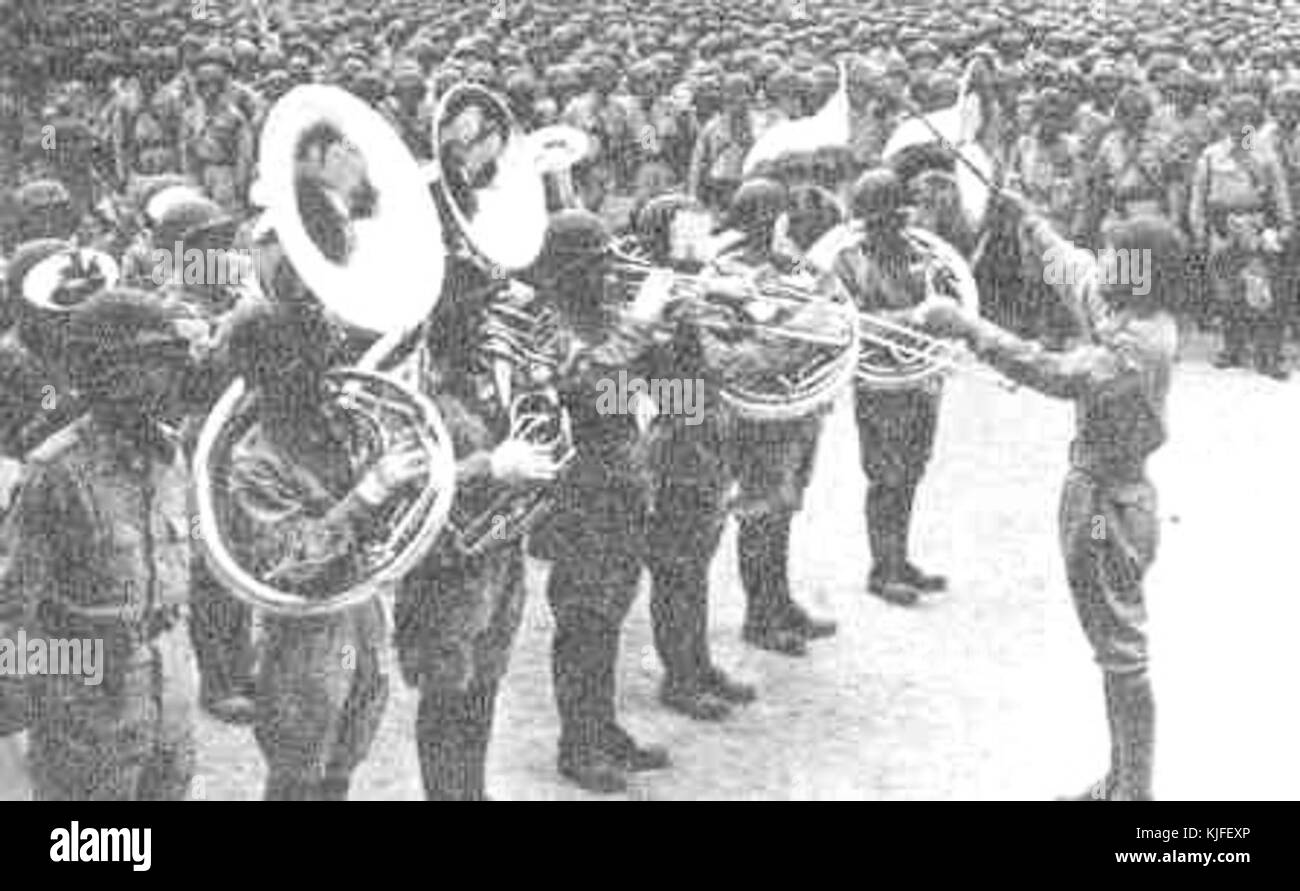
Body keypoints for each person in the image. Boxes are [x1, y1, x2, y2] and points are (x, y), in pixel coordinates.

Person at [913, 200, 1184, 802]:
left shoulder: (1137, 344)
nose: (1103, 262)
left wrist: (968, 328)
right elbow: (1075, 272)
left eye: (1115, 255)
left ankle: (1134, 795)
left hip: (1106, 512)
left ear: (1139, 271)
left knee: (1121, 654)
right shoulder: (1130, 310)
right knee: (1115, 648)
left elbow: (1056, 373)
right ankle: (1122, 781)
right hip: (1109, 494)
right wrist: (1030, 223)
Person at [3, 287, 203, 800]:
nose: (172, 378)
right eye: (156, 364)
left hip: (170, 694)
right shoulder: (57, 472)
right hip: (89, 710)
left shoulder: (170, 456)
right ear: (111, 374)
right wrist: (22, 715)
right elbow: (14, 606)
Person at [224, 299, 418, 802]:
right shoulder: (256, 460)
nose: (330, 377)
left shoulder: (331, 427)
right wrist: (368, 495)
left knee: (344, 755)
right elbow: (290, 563)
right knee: (299, 764)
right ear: (279, 373)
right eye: (315, 364)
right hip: (305, 632)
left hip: (359, 612)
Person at [391, 258, 566, 802]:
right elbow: (402, 479)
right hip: (444, 568)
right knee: (446, 693)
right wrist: (488, 466)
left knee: (484, 684)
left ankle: (472, 792)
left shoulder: (486, 368)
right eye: (473, 311)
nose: (486, 321)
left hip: (497, 553)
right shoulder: (409, 381)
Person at [525, 210, 674, 793]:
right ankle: (579, 746)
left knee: (610, 614)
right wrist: (641, 330)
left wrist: (677, 347)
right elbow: (588, 393)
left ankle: (603, 729)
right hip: (581, 495)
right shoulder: (547, 326)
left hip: (624, 487)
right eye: (596, 266)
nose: (610, 275)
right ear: (565, 272)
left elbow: (667, 400)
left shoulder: (602, 319)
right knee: (584, 619)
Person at [832, 169, 947, 607]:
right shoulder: (849, 263)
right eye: (883, 223)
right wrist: (912, 320)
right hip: (879, 384)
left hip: (920, 378)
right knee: (886, 474)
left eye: (897, 220)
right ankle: (883, 568)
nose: (893, 230)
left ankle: (900, 559)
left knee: (913, 467)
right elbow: (852, 322)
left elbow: (943, 302)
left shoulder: (919, 255)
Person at [1189, 93, 1293, 379]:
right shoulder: (1211, 155)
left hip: (1254, 227)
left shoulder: (1266, 157)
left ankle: (1266, 353)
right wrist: (1199, 231)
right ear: (1227, 123)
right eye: (1236, 121)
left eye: (1249, 122)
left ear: (1256, 125)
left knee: (1260, 291)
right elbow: (1198, 197)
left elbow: (1279, 194)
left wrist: (1284, 226)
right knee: (1226, 291)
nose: (1242, 127)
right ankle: (1232, 346)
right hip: (1221, 228)